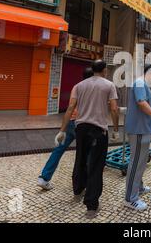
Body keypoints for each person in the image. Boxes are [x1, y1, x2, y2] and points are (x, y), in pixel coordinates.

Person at [56, 60, 119, 219]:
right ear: (104, 70)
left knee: (80, 159)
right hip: (99, 130)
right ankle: (91, 204)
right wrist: (116, 129)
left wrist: (62, 130)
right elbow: (114, 108)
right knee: (96, 166)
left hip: (81, 129)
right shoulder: (109, 85)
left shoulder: (79, 86)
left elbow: (70, 108)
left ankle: (78, 188)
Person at [37, 67, 95, 191]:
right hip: (82, 125)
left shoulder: (76, 86)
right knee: (86, 154)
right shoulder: (94, 89)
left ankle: (44, 177)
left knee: (58, 150)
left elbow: (70, 108)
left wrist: (62, 130)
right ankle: (84, 182)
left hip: (70, 123)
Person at [124, 63, 151, 211]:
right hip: (139, 129)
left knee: (140, 162)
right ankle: (130, 199)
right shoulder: (140, 83)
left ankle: (139, 187)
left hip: (143, 129)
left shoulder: (143, 84)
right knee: (136, 163)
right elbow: (141, 103)